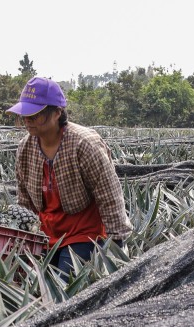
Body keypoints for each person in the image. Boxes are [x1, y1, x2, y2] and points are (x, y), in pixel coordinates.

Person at [7, 77, 132, 276]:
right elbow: (25, 199)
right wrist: (24, 236)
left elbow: (109, 193)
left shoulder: (84, 144)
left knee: (65, 287)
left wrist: (117, 243)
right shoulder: (26, 147)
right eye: (25, 114)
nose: (27, 120)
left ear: (57, 112)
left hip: (83, 233)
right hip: (44, 234)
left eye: (35, 114)